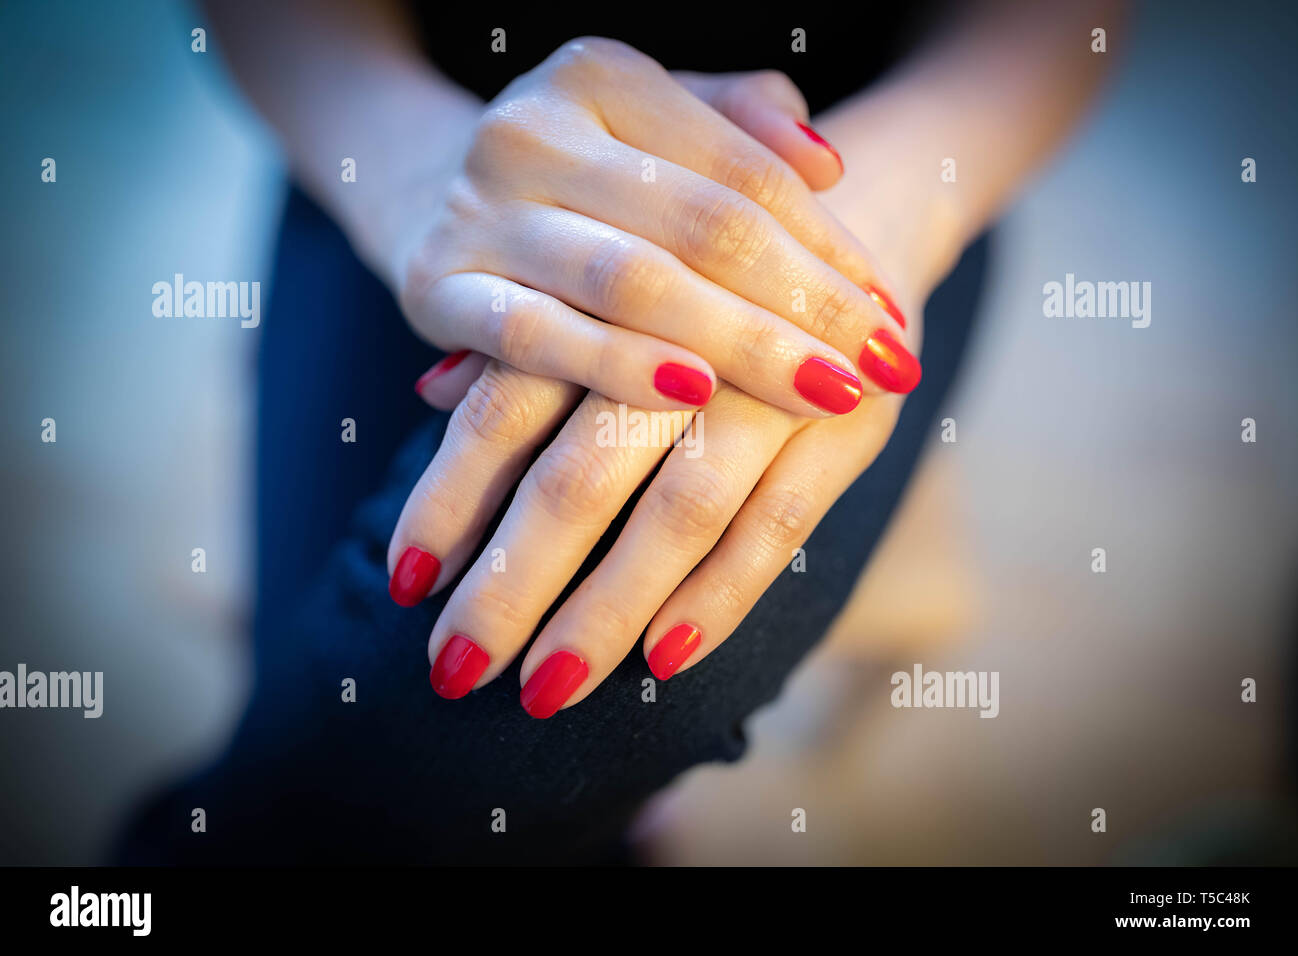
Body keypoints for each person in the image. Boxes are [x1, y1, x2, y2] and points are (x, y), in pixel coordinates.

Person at [117, 1, 1118, 863]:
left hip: (876, 164)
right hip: (427, 135)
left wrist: (862, 234)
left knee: (536, 712)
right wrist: (417, 176)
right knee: (399, 709)